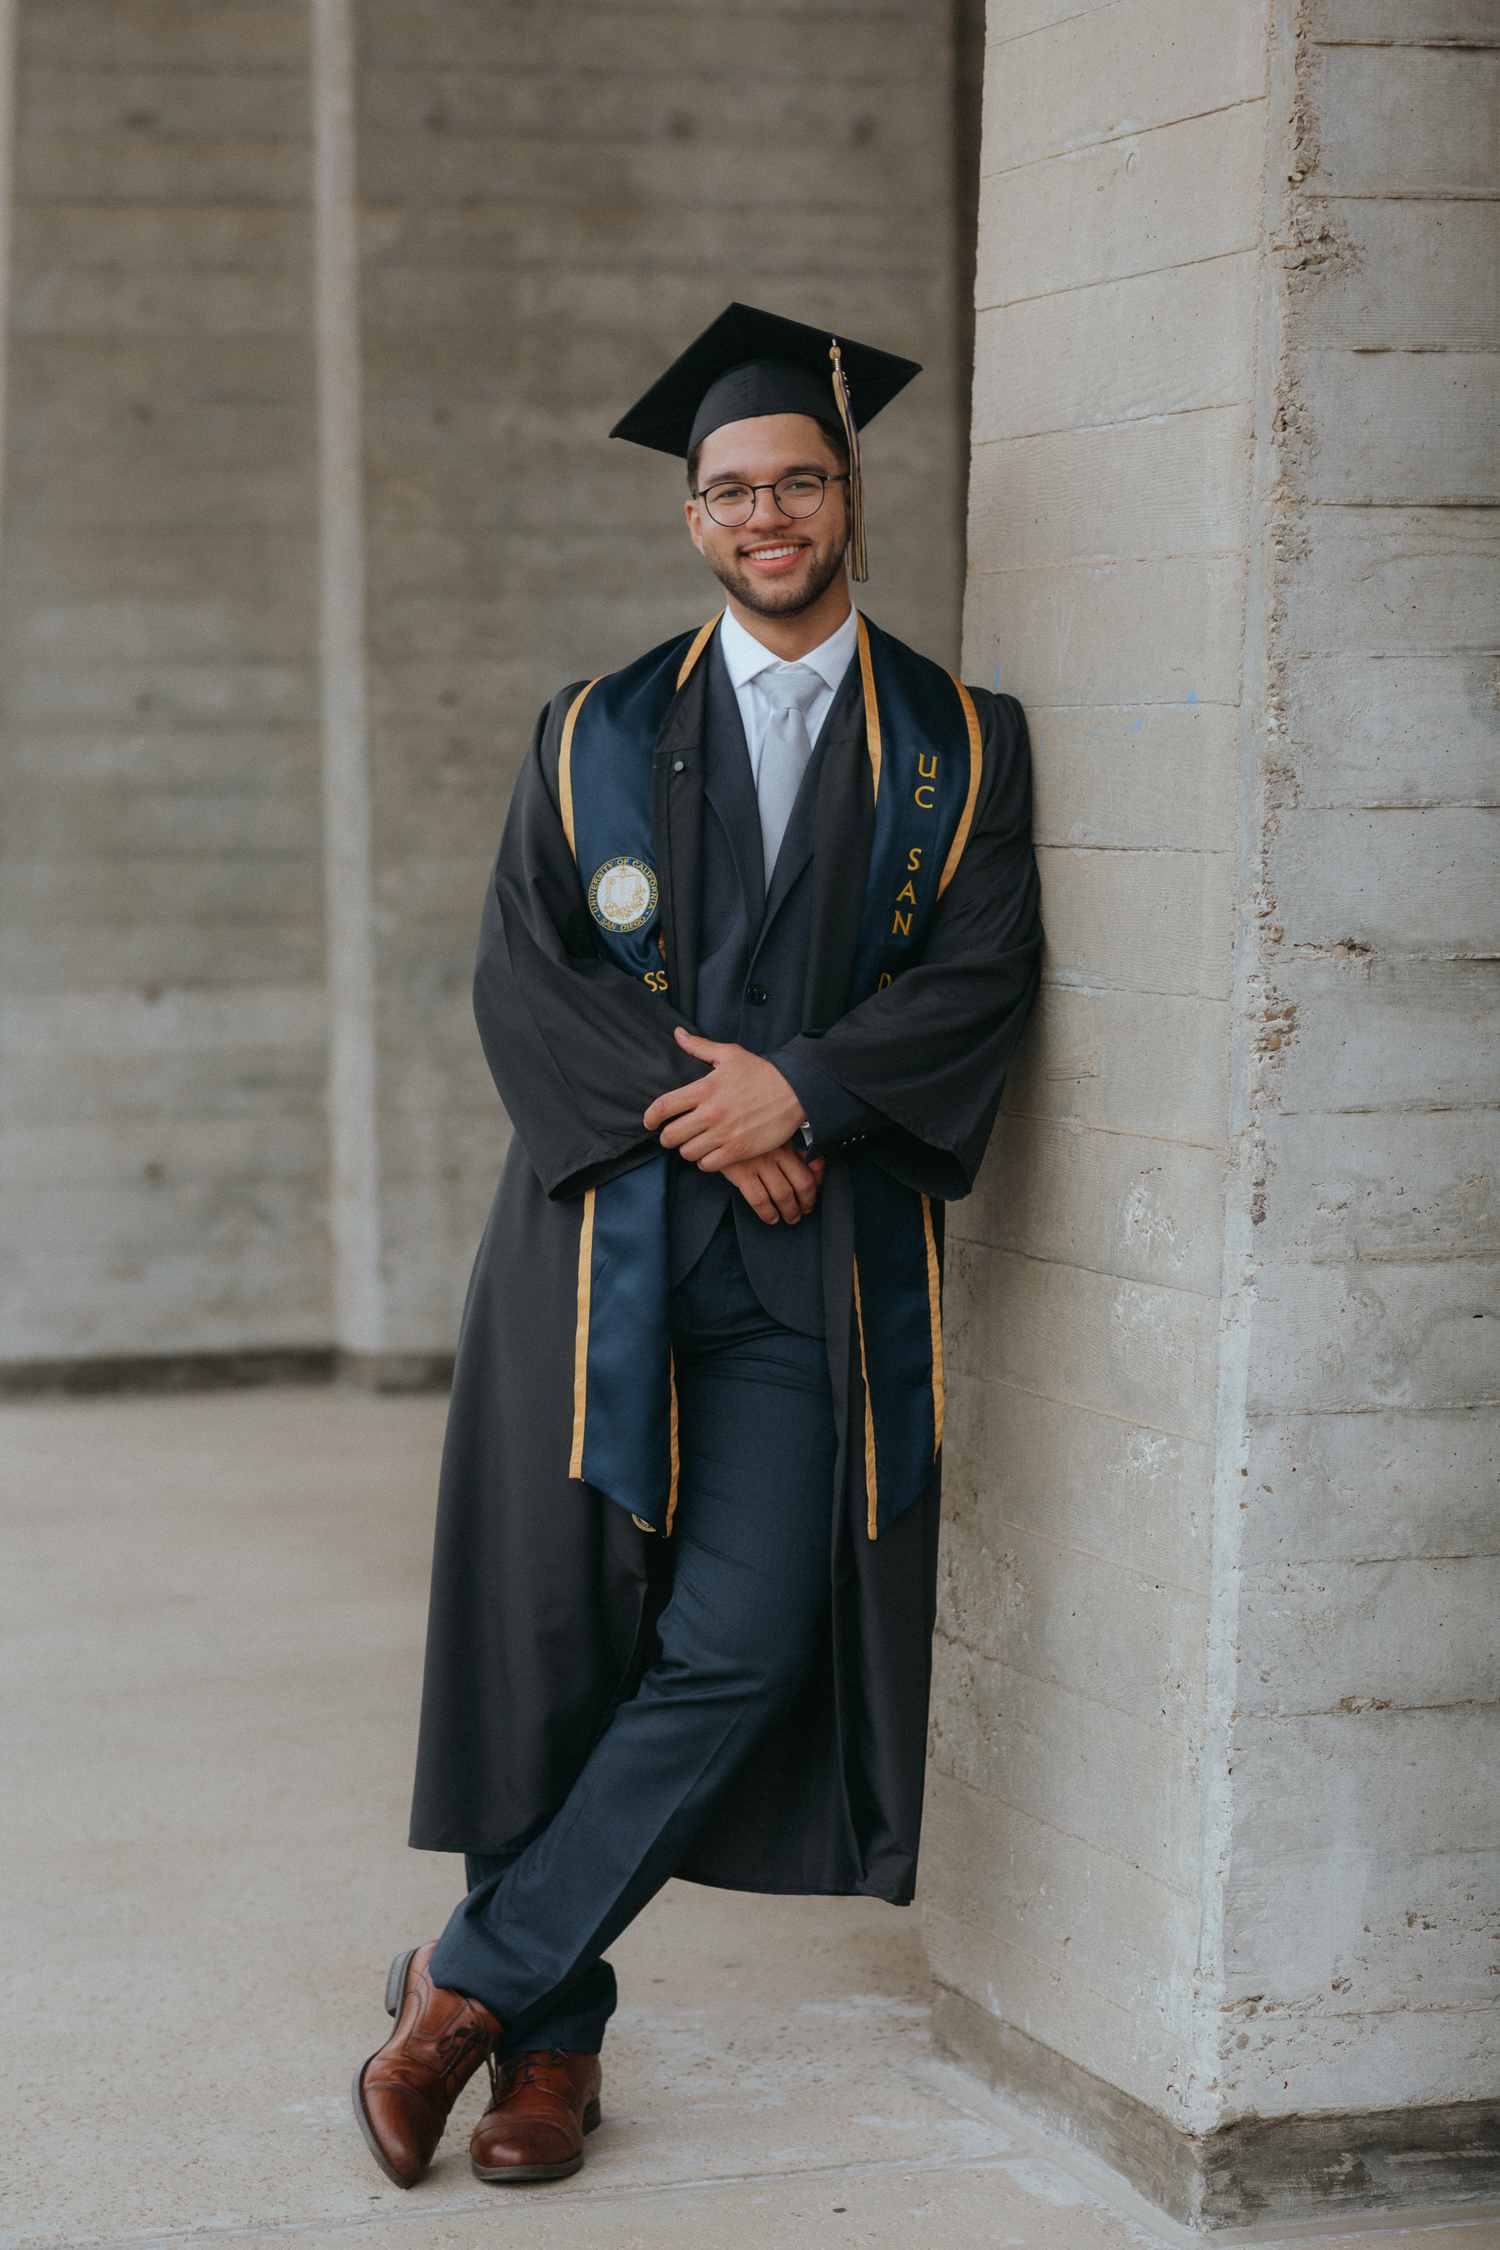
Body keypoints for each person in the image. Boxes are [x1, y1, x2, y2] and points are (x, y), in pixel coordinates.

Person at [352, 301, 1043, 2192]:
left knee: (738, 1642)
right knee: (560, 1647)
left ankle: (467, 1979)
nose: (768, 515)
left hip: (808, 1288)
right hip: (598, 1262)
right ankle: (548, 2060)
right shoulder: (590, 731)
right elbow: (525, 971)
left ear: (848, 494)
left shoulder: (962, 752)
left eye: (798, 482)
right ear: (693, 517)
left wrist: (802, 1094)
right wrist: (716, 1118)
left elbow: (983, 982)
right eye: (732, 489)